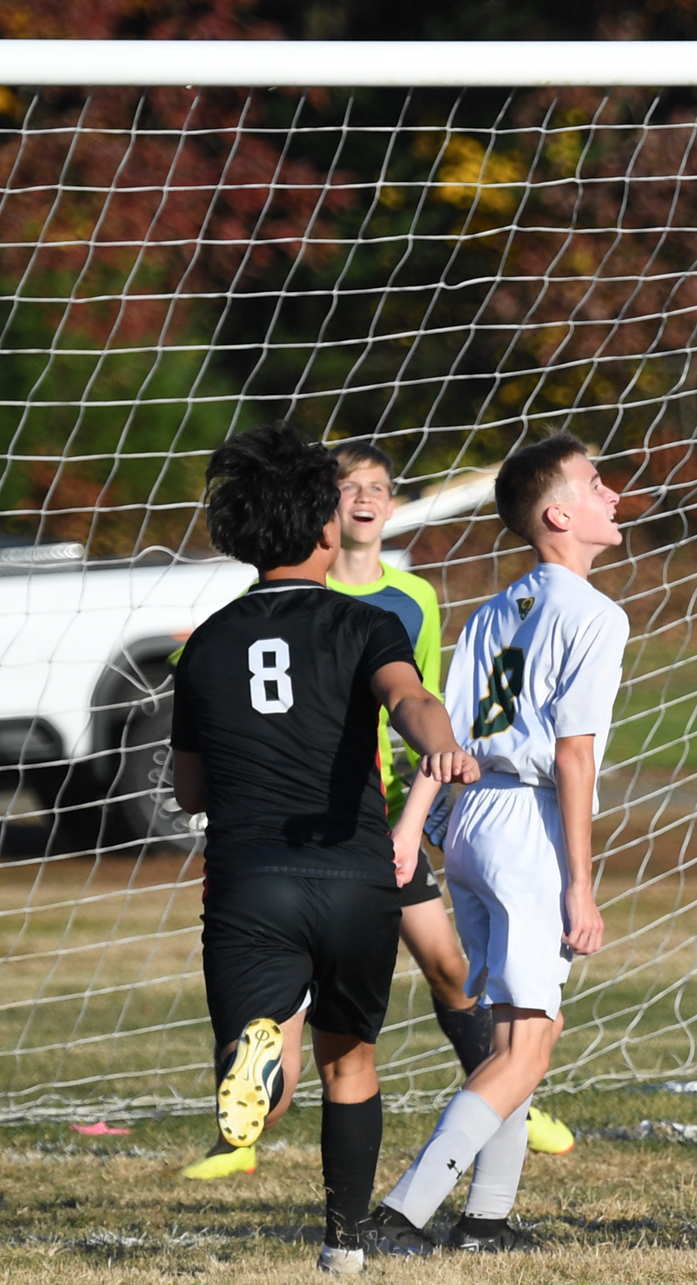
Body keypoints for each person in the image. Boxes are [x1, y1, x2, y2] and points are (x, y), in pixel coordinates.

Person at [166, 424, 479, 1275]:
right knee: (353, 1061)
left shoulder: (204, 645)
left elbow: (190, 792)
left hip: (249, 879)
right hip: (352, 874)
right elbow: (409, 698)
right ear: (326, 529)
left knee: (260, 1060)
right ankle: (343, 1245)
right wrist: (439, 742)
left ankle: (254, 1058)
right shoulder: (363, 623)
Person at [363, 433, 627, 1254]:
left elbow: (446, 729)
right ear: (558, 513)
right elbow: (575, 755)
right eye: (594, 483)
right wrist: (580, 885)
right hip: (527, 825)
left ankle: (486, 1221)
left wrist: (423, 822)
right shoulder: (593, 614)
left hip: (473, 819)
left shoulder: (491, 608)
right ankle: (403, 1211)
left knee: (519, 1033)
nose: (611, 493)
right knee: (525, 1040)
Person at [327, 441, 577, 1156]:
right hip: (321, 809)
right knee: (309, 982)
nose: (366, 498)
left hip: (389, 812)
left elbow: (431, 708)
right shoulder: (307, 586)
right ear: (329, 502)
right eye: (350, 487)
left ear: (394, 502)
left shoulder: (415, 599)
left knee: (449, 964)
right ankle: (245, 1127)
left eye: (379, 485)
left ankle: (509, 1097)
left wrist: (426, 806)